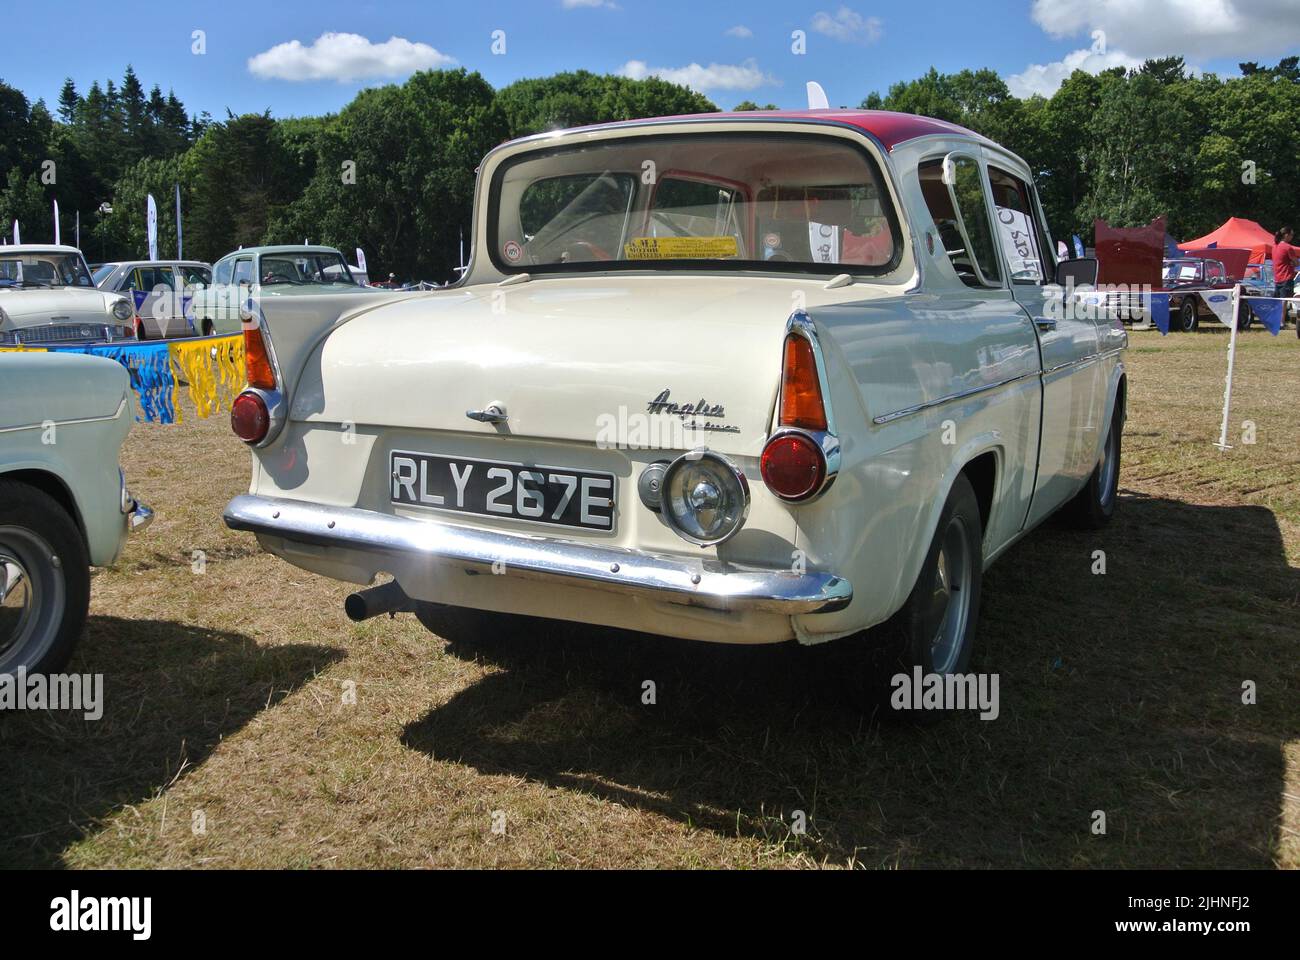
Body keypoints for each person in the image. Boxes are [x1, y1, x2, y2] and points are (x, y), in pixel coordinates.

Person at [1270, 226, 1299, 299]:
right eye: (1291, 235)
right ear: (1286, 235)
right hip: (1286, 278)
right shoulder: (1288, 247)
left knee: (1277, 302)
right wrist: (1292, 263)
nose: (1292, 237)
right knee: (1285, 301)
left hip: (1277, 278)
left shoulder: (1274, 246)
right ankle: (1283, 311)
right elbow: (1297, 263)